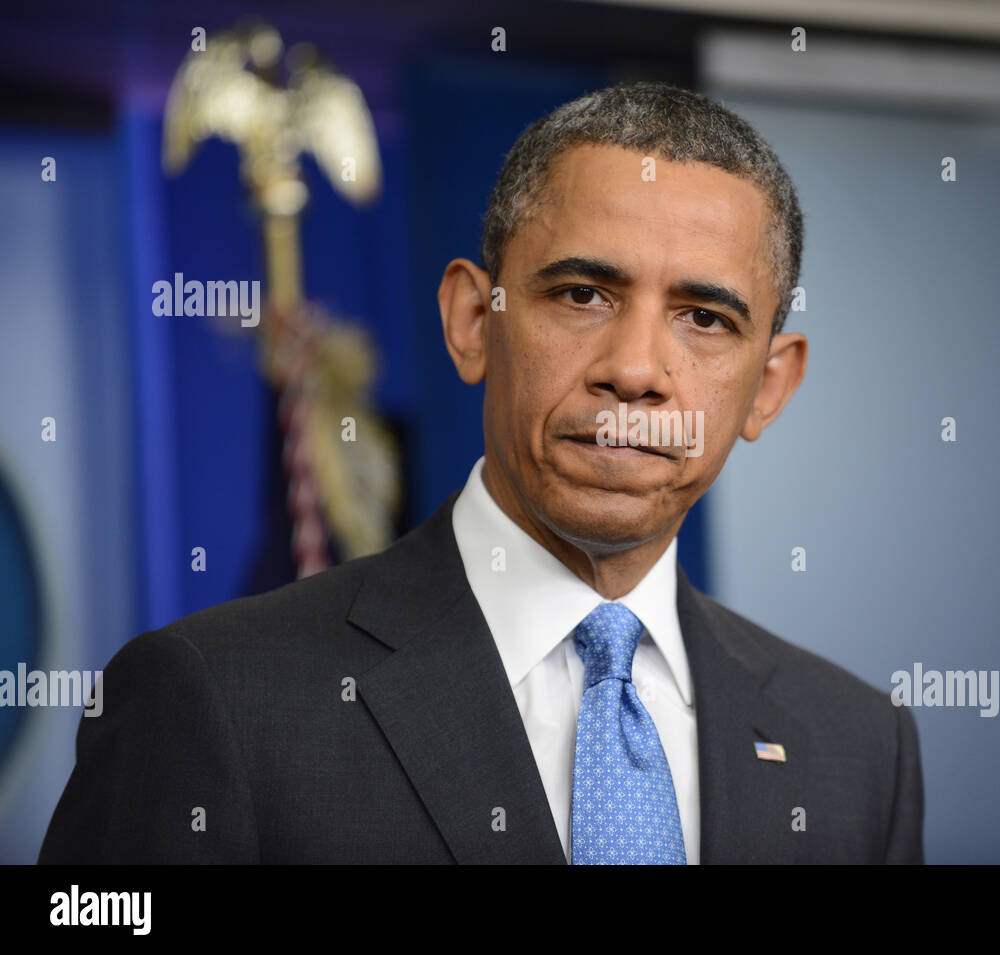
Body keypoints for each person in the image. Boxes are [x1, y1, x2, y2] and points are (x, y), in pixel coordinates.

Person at [39, 81, 923, 864]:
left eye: (703, 317)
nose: (637, 368)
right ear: (472, 321)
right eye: (583, 295)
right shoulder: (211, 698)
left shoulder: (856, 750)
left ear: (769, 386)